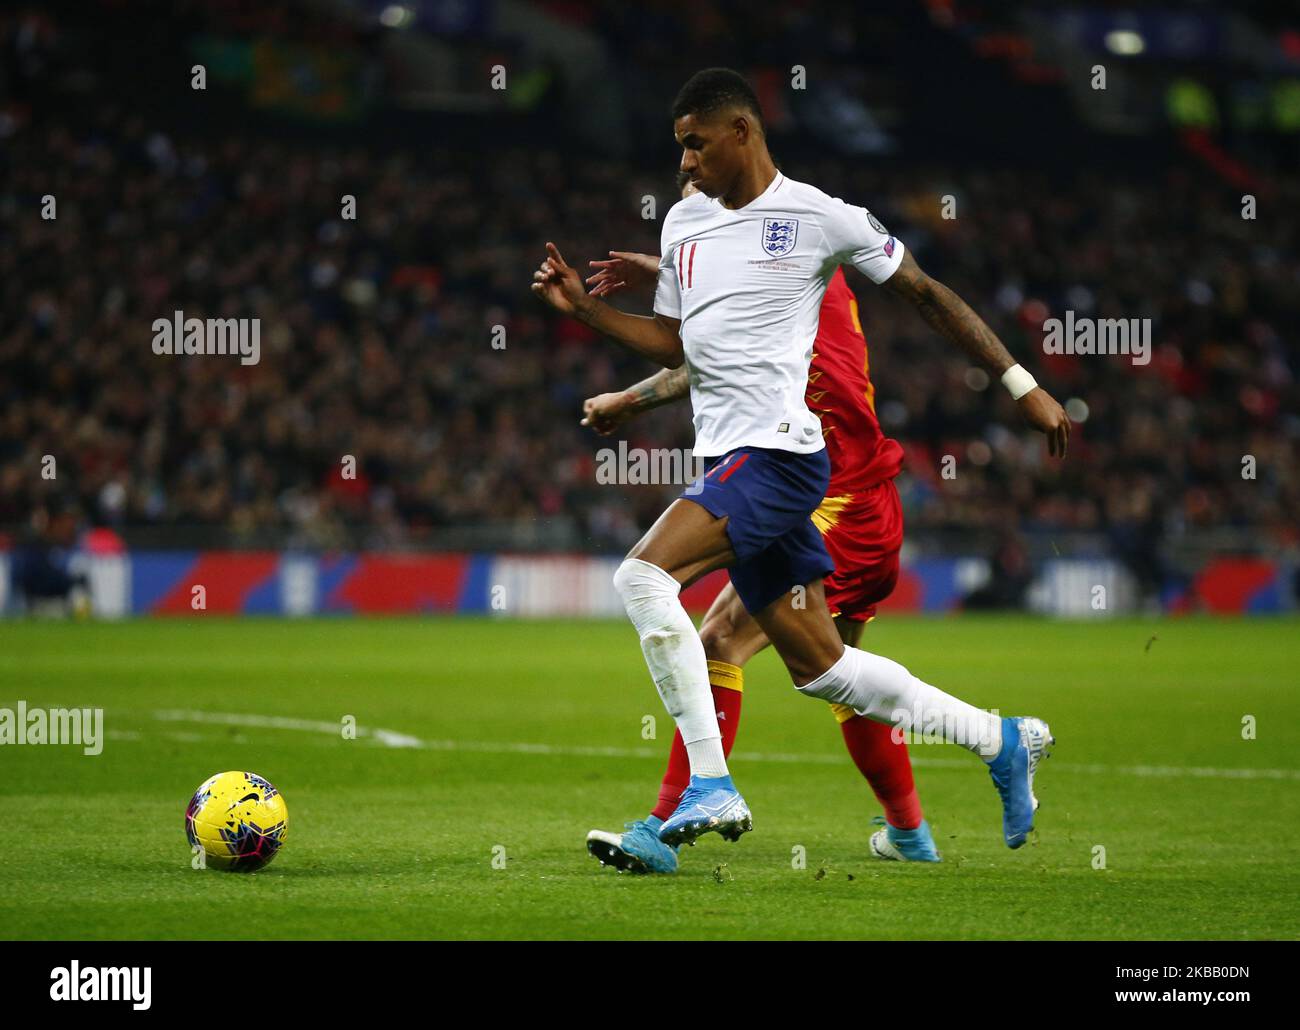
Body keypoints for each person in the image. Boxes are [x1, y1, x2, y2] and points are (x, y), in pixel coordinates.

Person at [531, 68, 1068, 853]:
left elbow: (927, 293)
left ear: (741, 132)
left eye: (695, 145)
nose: (683, 164)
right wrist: (587, 310)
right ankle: (1000, 738)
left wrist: (1022, 385)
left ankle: (708, 790)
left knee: (642, 577)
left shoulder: (820, 217)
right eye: (678, 148)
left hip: (780, 459)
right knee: (826, 670)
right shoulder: (683, 224)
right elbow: (676, 344)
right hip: (731, 458)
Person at [579, 177, 936, 873]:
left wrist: (630, 387)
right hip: (858, 498)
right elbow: (713, 345)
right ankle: (915, 828)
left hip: (832, 495)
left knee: (717, 640)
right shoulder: (788, 259)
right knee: (838, 676)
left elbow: (713, 339)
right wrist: (631, 391)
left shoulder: (790, 256)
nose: (693, 196)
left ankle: (667, 819)